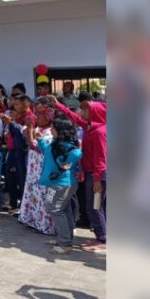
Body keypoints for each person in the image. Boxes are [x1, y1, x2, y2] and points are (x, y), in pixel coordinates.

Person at [53, 93, 107, 252]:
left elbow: (101, 158)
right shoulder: (90, 127)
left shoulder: (99, 133)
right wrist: (59, 106)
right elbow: (75, 118)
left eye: (86, 110)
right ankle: (102, 235)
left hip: (98, 176)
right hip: (92, 174)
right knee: (97, 206)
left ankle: (103, 239)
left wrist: (97, 179)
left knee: (95, 206)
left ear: (96, 113)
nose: (82, 113)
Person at [32, 118, 83, 253]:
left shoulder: (67, 146)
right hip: (57, 183)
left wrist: (65, 162)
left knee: (55, 209)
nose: (51, 130)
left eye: (53, 128)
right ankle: (64, 239)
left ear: (61, 131)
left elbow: (77, 153)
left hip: (62, 184)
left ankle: (65, 244)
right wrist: (40, 140)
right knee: (63, 210)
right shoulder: (56, 144)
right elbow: (47, 154)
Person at [17, 97, 57, 234]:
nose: (37, 117)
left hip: (43, 170)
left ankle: (45, 225)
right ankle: (32, 220)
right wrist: (29, 130)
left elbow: (36, 146)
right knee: (33, 194)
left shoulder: (51, 132)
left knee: (42, 195)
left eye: (40, 115)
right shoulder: (39, 128)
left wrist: (30, 130)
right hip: (34, 170)